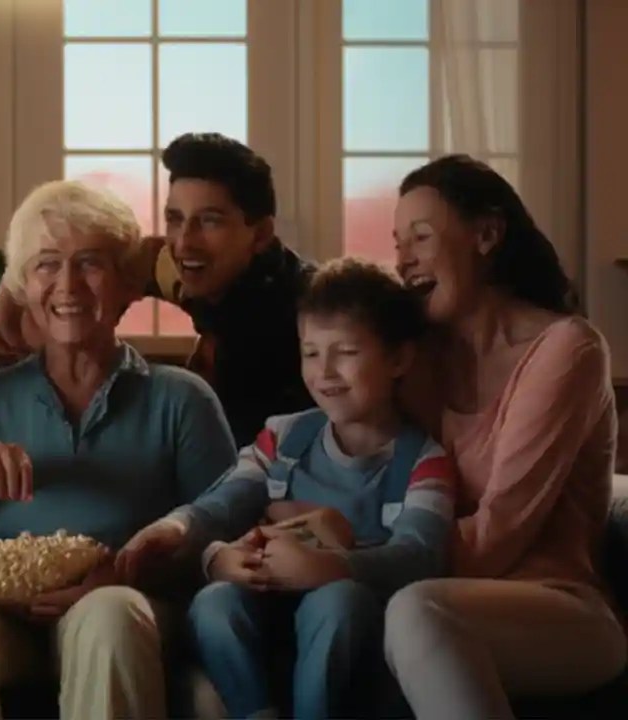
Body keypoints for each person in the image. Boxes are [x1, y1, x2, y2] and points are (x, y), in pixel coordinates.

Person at [0, 180, 238, 720]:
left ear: (126, 286)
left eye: (91, 264)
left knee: (109, 614)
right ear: (25, 286)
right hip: (4, 619)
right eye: (47, 264)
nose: (67, 284)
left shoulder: (180, 399)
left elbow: (221, 537)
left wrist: (124, 574)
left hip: (124, 605)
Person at [120, 258, 456, 719]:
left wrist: (329, 567)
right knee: (215, 602)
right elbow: (226, 500)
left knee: (339, 599)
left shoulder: (424, 460)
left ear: (398, 358)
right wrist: (191, 538)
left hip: (353, 629)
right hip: (265, 603)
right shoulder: (283, 437)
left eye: (347, 352)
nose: (325, 372)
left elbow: (420, 555)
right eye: (311, 352)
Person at [383, 155, 626, 718]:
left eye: (420, 236)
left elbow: (498, 538)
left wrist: (365, 559)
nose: (402, 260)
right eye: (397, 242)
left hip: (563, 610)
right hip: (434, 595)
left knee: (414, 608)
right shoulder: (418, 362)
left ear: (487, 235)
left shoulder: (567, 349)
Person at [0, 132, 314, 446]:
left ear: (261, 234)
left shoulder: (311, 317)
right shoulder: (201, 268)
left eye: (210, 221)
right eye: (175, 218)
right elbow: (123, 255)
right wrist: (11, 287)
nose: (184, 244)